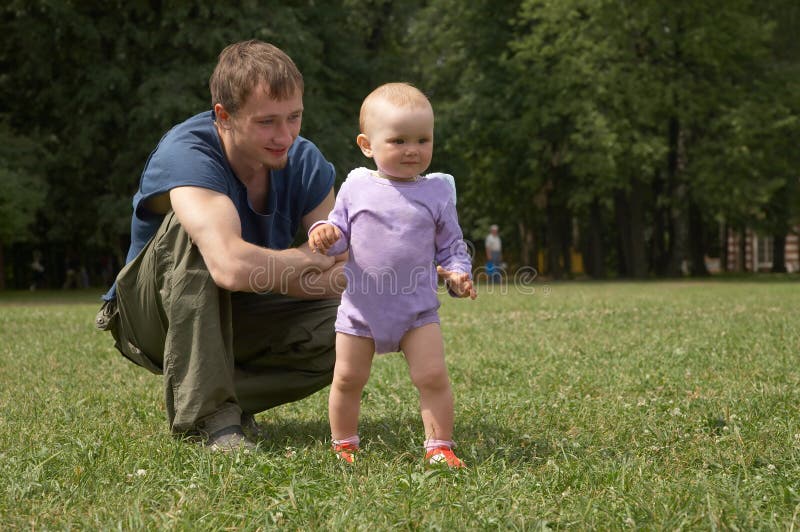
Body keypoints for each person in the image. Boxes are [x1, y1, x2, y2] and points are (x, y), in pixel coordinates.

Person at [95, 40, 346, 452]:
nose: (285, 136)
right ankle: (210, 418)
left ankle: (210, 395)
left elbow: (341, 268)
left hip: (243, 303)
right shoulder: (188, 153)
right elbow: (229, 265)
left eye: (294, 117)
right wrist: (305, 260)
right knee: (191, 230)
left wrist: (288, 274)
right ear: (224, 117)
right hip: (151, 315)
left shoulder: (305, 161)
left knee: (353, 324)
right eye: (267, 122)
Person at [308, 82, 476, 468]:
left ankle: (439, 447)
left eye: (423, 139)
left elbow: (452, 246)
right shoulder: (356, 186)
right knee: (348, 380)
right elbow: (338, 237)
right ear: (367, 145)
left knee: (432, 376)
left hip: (417, 311)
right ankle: (345, 444)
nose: (413, 150)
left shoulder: (437, 193)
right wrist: (324, 234)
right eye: (399, 140)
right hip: (361, 310)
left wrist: (457, 272)